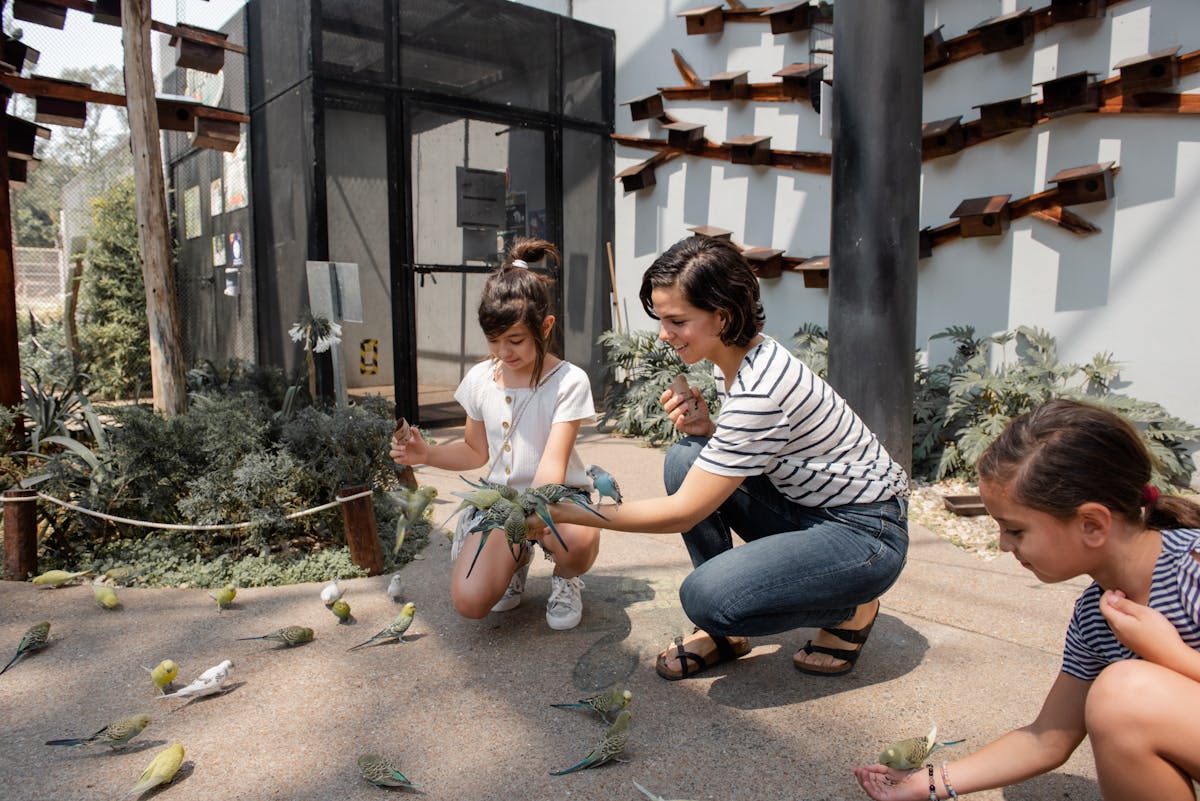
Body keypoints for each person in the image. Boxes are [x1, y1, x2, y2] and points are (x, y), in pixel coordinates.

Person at [532, 235, 909, 678]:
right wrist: (712, 431)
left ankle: (850, 609)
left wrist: (568, 512)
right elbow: (766, 447)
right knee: (686, 457)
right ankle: (724, 632)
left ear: (722, 315)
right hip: (813, 509)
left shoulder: (761, 388)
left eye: (676, 321)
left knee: (706, 598)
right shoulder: (734, 355)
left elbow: (682, 513)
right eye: (661, 318)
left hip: (866, 535)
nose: (663, 334)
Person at [854, 398, 1200, 801]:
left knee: (1125, 693)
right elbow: (1048, 738)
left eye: (1015, 531)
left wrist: (1171, 655)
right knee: (1121, 698)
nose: (1003, 545)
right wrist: (927, 783)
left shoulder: (1192, 565)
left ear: (1092, 524)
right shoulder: (1096, 614)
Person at [390, 238, 600, 631]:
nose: (504, 351)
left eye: (516, 340)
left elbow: (552, 466)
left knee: (579, 539)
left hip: (556, 495)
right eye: (493, 340)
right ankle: (516, 558)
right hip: (501, 501)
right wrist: (426, 454)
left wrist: (530, 518)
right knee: (470, 603)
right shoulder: (480, 379)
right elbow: (474, 452)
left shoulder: (569, 380)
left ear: (546, 326)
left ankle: (566, 578)